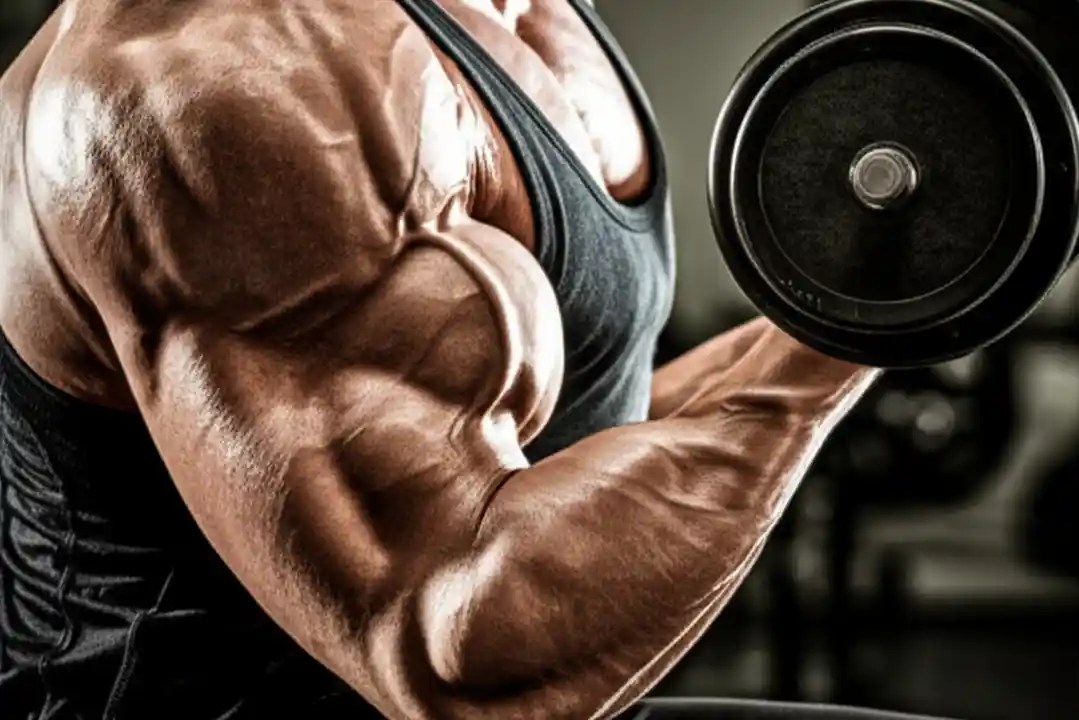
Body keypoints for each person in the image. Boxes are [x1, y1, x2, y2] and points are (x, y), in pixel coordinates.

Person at [0, 1, 881, 717]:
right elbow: (452, 662)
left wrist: (858, 307)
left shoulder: (530, 21)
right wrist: (868, 323)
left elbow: (576, 447)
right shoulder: (222, 74)